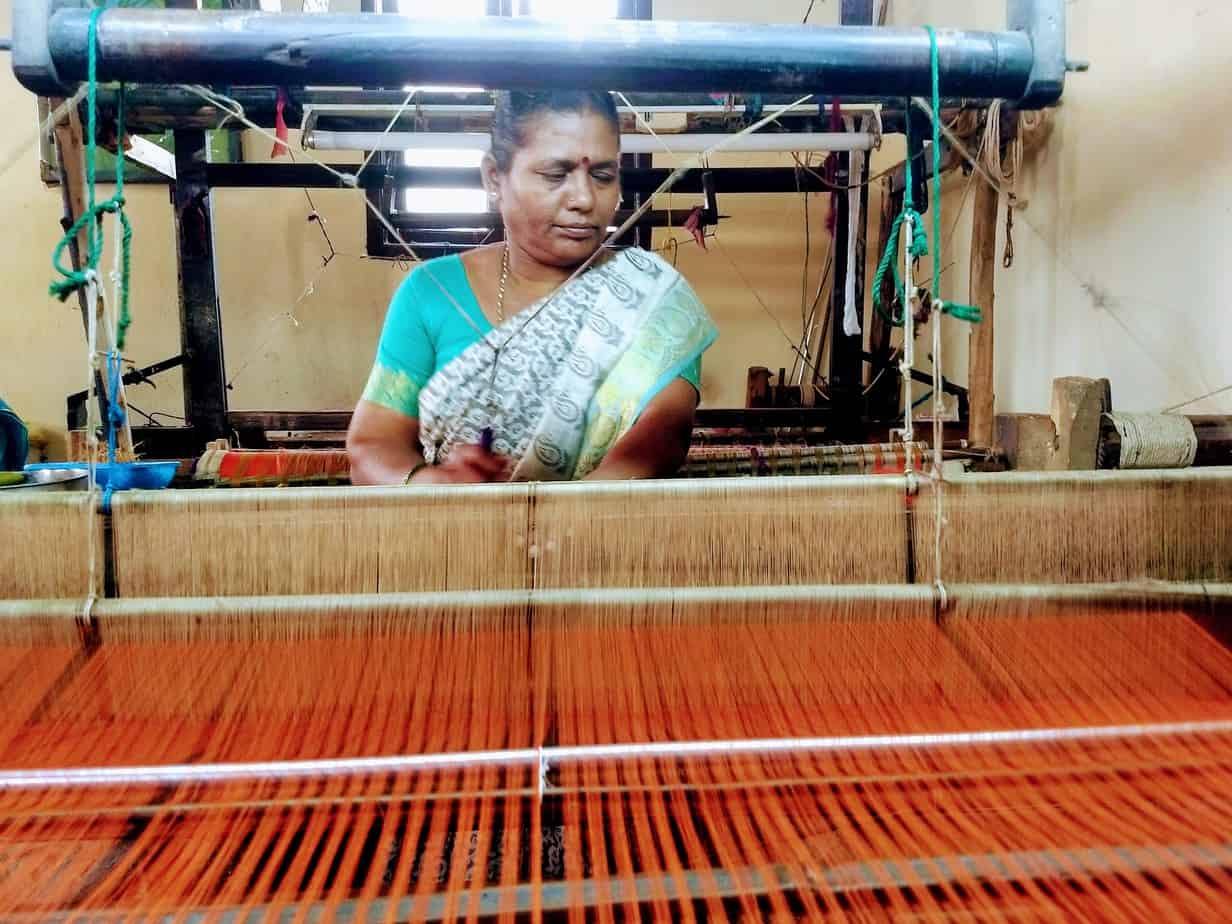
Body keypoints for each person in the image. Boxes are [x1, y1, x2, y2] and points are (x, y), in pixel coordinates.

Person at [347, 90, 717, 486]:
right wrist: (431, 484)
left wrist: (573, 512)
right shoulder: (431, 293)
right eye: (555, 175)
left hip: (600, 536)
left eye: (603, 175)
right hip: (460, 538)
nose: (584, 198)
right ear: (494, 178)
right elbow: (372, 445)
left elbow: (663, 434)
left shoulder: (650, 296)